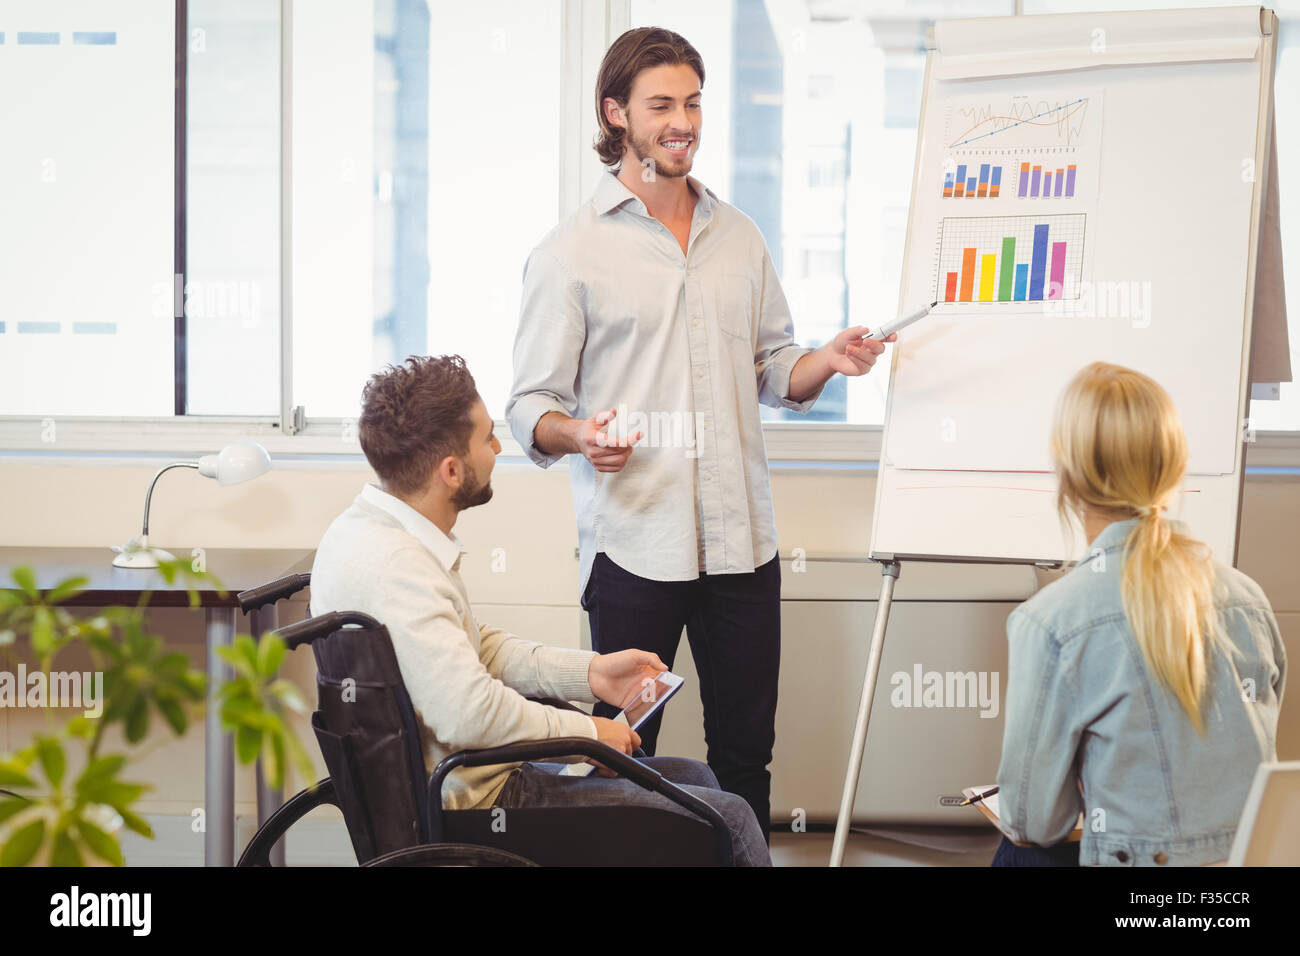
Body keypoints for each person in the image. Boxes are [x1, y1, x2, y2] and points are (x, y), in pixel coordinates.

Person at [505, 26, 893, 841]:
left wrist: (823, 359)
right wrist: (578, 434)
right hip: (634, 550)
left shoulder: (739, 236)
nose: (682, 121)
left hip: (742, 548)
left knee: (746, 757)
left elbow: (774, 366)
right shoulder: (568, 253)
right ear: (617, 114)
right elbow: (528, 408)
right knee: (625, 751)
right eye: (662, 105)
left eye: (692, 102)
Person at [310, 354, 771, 866]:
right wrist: (590, 735)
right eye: (487, 438)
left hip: (469, 779)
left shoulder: (369, 531)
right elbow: (471, 714)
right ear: (451, 470)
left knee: (695, 780)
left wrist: (592, 674)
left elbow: (476, 650)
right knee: (726, 819)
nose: (499, 448)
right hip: (479, 803)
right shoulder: (398, 567)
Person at [993, 362, 1287, 867]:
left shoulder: (1051, 623)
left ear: (1067, 473)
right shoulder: (1249, 600)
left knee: (1020, 852)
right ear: (1172, 465)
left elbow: (1033, 820)